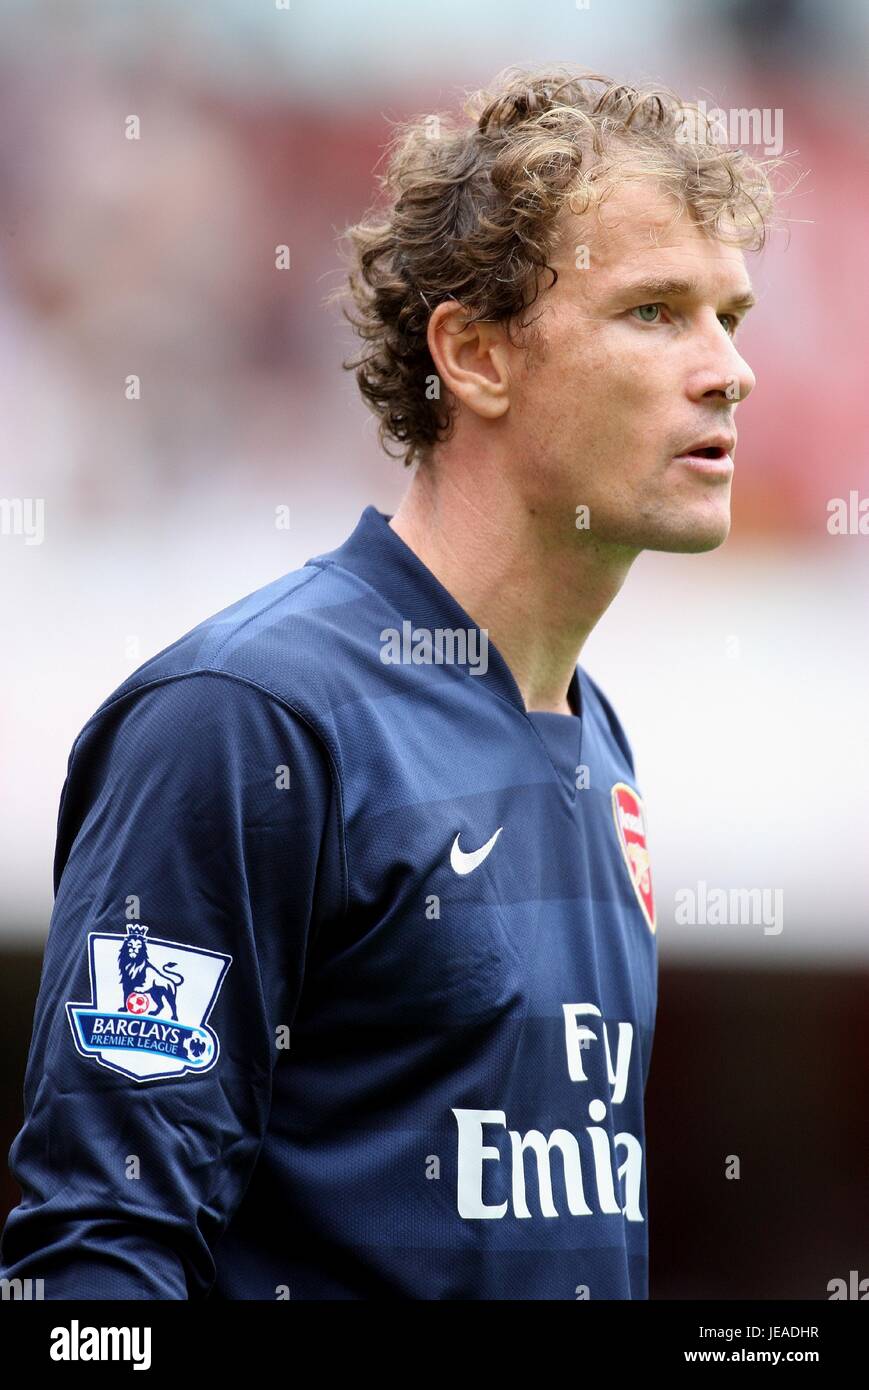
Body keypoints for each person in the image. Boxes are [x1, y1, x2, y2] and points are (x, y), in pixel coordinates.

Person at [0, 66, 774, 1300]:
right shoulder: (247, 718)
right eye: (652, 311)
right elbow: (97, 1263)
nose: (726, 367)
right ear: (471, 355)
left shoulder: (592, 736)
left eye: (728, 313)